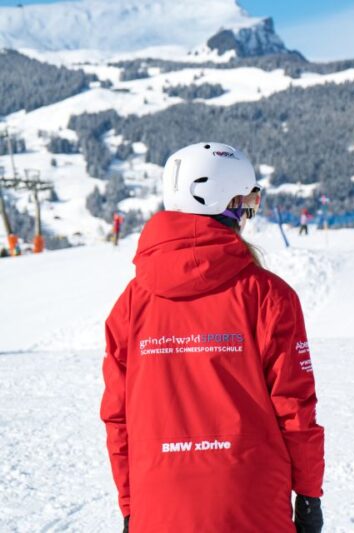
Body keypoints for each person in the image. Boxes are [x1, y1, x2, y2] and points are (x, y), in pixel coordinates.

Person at [100, 143, 325, 533]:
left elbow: (118, 418)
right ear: (227, 201)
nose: (248, 215)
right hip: (252, 508)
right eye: (248, 203)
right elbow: (295, 408)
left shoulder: (131, 304)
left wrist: (130, 504)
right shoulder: (267, 295)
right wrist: (308, 495)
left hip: (158, 509)